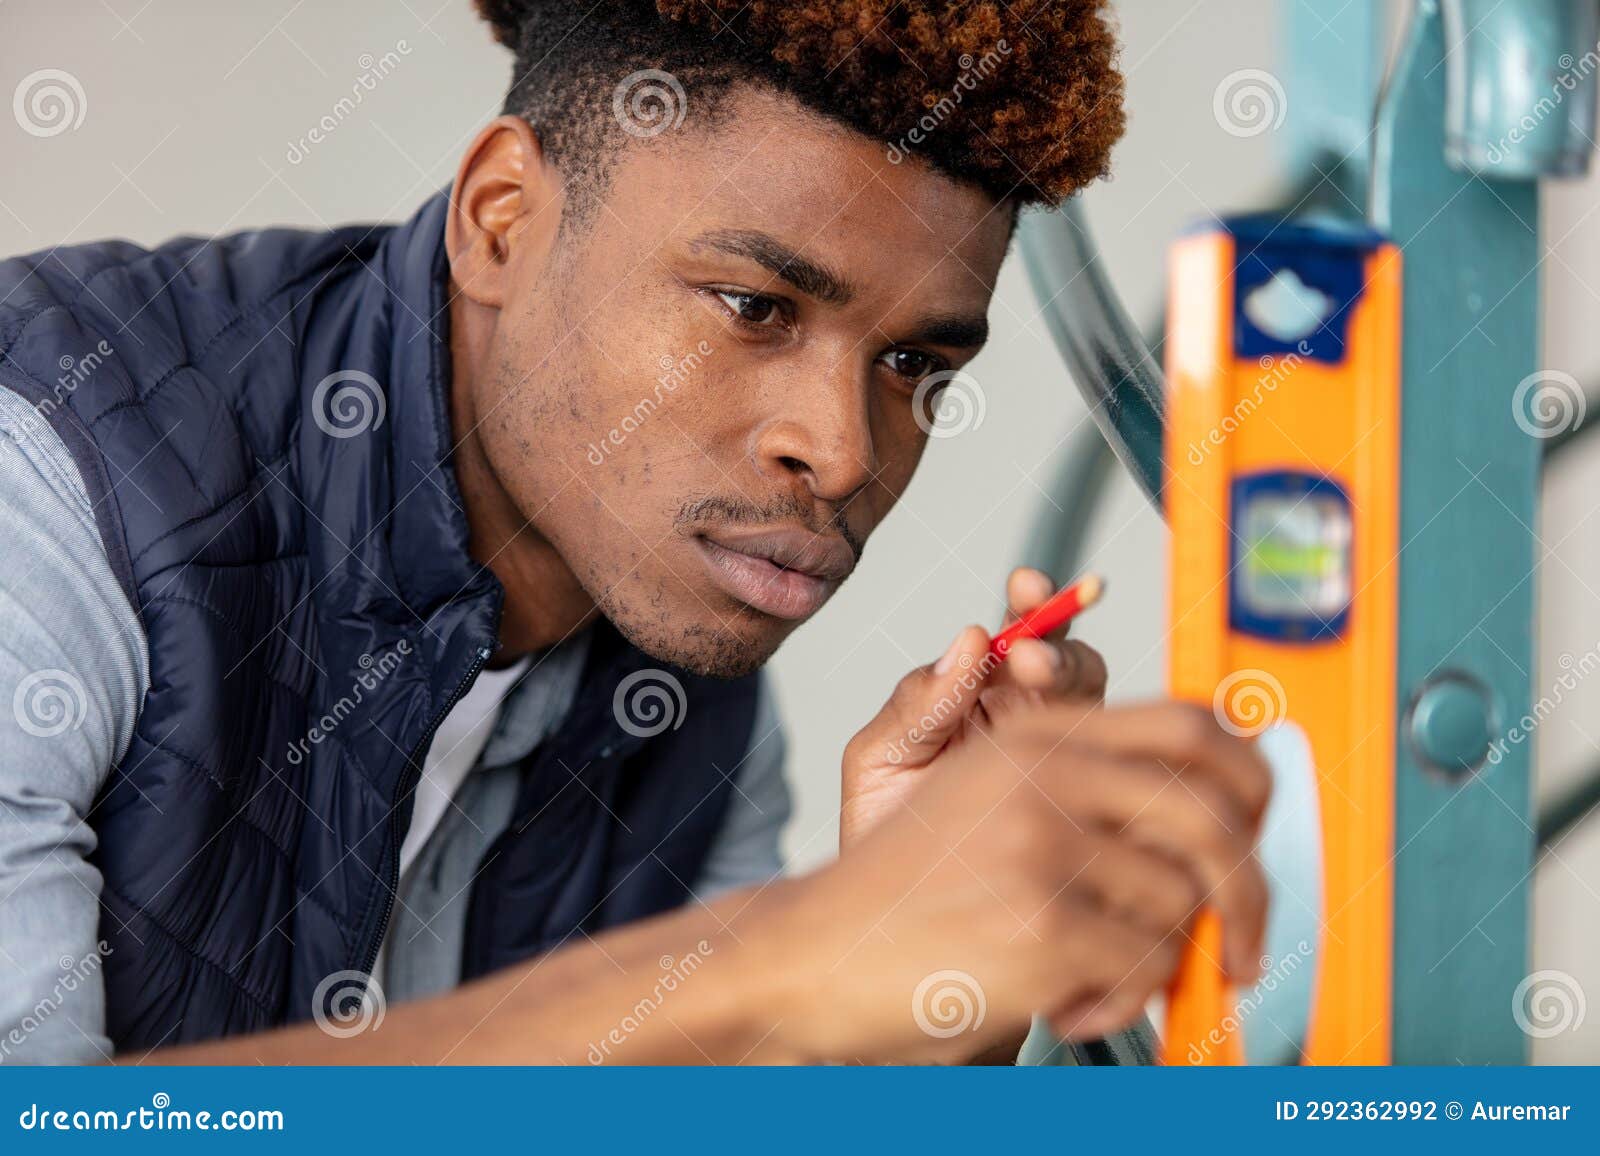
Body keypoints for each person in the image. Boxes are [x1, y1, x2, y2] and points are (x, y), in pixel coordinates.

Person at [0, 0, 1269, 1064]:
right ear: (501, 218)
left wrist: (921, 1007)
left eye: (910, 363)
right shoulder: (46, 486)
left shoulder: (690, 709)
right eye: (752, 305)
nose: (840, 452)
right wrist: (794, 950)